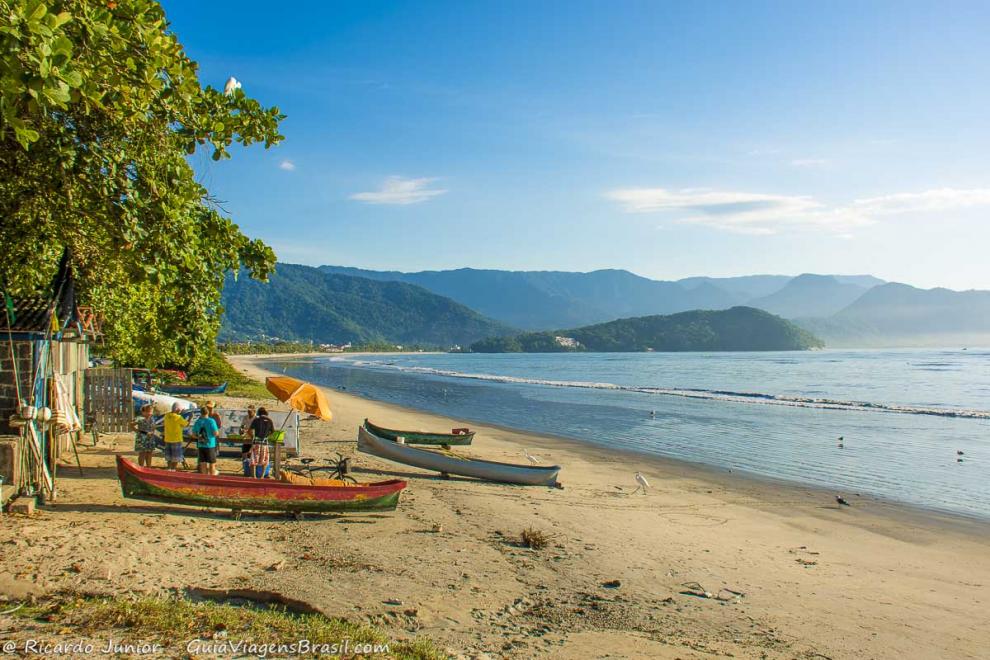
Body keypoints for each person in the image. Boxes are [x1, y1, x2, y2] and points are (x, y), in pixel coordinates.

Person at [247, 406, 275, 479]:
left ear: (259, 413)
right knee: (265, 459)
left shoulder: (256, 420)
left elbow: (249, 431)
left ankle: (254, 476)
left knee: (254, 458)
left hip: (256, 442)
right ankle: (262, 476)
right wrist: (267, 436)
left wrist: (252, 437)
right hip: (265, 443)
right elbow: (272, 431)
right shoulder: (270, 420)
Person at [191, 406, 219, 475]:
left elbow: (193, 435)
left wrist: (200, 437)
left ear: (201, 413)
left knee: (203, 465)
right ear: (208, 412)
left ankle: (205, 480)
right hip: (210, 445)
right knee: (212, 464)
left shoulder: (198, 422)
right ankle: (212, 481)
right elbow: (216, 433)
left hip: (201, 445)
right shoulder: (211, 421)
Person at [162, 402, 189, 470]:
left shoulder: (166, 416)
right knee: (176, 457)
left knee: (169, 457)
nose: (180, 411)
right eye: (180, 410)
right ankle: (173, 469)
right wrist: (190, 417)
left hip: (168, 439)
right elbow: (186, 424)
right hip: (176, 440)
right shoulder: (178, 417)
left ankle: (169, 468)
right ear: (177, 409)